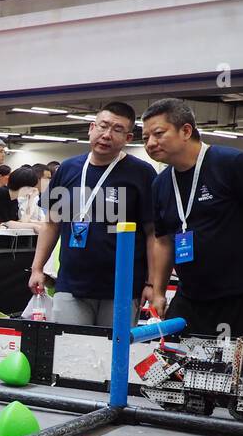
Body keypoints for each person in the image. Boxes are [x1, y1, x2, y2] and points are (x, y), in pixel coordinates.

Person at [144, 98, 243, 338]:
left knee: (237, 371)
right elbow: (162, 241)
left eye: (158, 133)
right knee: (177, 366)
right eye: (145, 139)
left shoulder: (232, 164)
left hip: (241, 293)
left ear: (186, 131)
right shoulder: (160, 184)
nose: (151, 143)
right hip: (191, 295)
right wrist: (159, 290)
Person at [26, 104, 157, 326]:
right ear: (91, 128)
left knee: (111, 355)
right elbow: (51, 224)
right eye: (103, 126)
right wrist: (37, 268)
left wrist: (152, 283)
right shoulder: (68, 169)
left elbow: (153, 233)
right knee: (70, 352)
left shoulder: (141, 174)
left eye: (117, 129)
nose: (106, 135)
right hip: (71, 285)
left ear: (128, 137)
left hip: (122, 288)